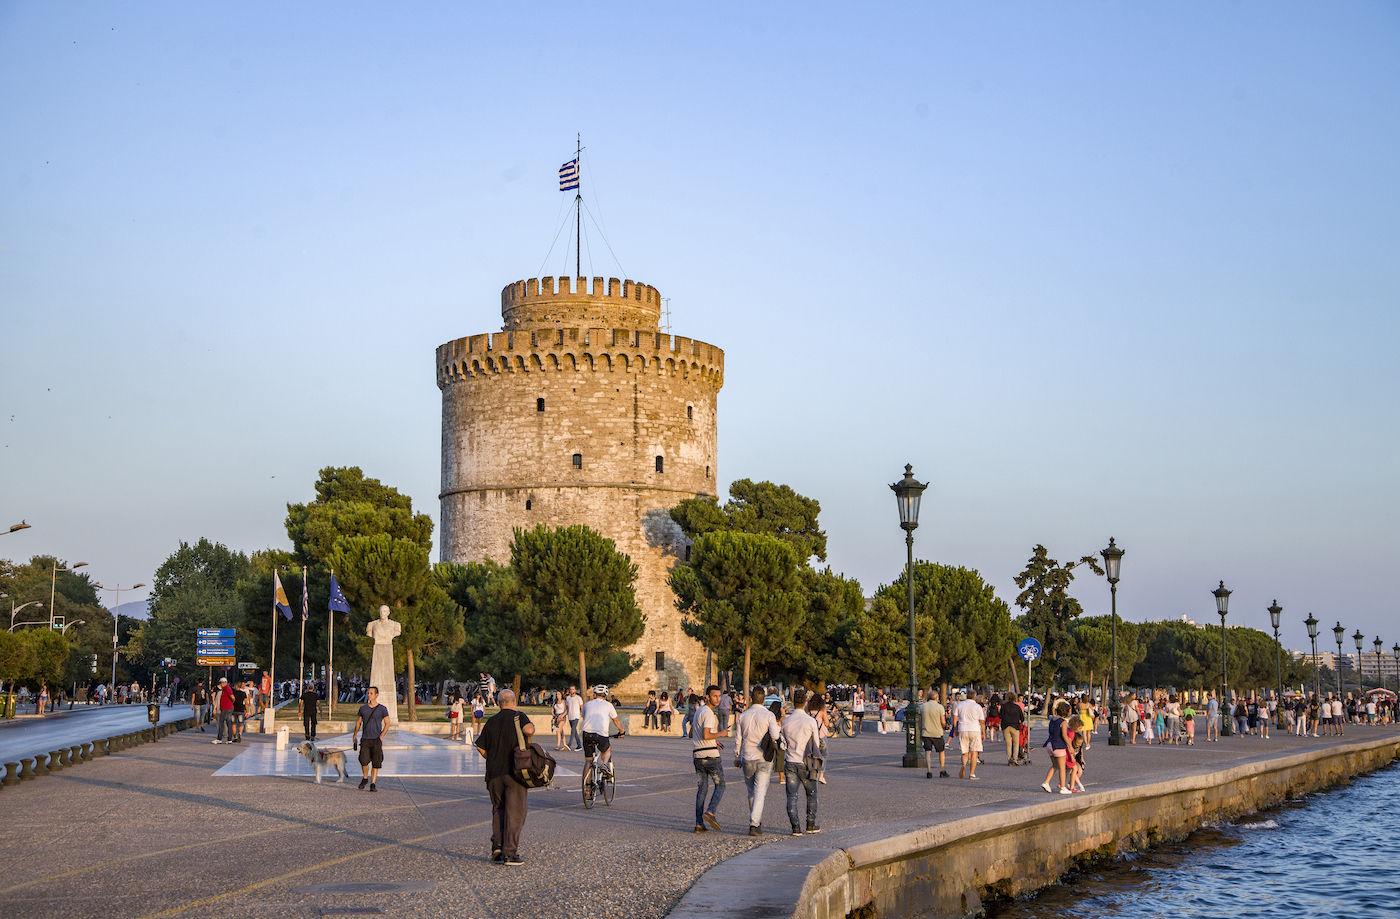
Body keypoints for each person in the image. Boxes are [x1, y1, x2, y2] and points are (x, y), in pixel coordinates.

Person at [474, 689, 533, 866]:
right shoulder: (519, 717)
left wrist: (492, 759)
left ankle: (498, 848)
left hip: (493, 774)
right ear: (514, 702)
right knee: (515, 813)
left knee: (498, 809)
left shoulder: (491, 721)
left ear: (499, 703)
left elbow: (480, 747)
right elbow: (529, 730)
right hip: (514, 773)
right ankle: (510, 853)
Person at [734, 683, 780, 836]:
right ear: (764, 700)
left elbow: (738, 739)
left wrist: (737, 755)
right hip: (763, 757)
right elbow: (775, 736)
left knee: (751, 791)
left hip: (747, 757)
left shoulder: (743, 716)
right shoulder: (769, 715)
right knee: (760, 791)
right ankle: (754, 824)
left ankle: (756, 820)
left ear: (751, 699)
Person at [781, 694, 822, 835]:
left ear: (793, 702)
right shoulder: (810, 721)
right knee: (811, 793)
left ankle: (795, 827)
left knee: (792, 796)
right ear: (805, 702)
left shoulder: (785, 722)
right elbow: (816, 743)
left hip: (791, 761)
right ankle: (810, 824)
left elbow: (783, 743)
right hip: (808, 761)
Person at [691, 684, 727, 833]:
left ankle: (699, 823)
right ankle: (710, 812)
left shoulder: (699, 711)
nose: (717, 699)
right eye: (714, 696)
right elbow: (706, 734)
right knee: (721, 785)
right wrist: (721, 734)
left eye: (719, 696)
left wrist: (714, 741)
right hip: (710, 757)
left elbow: (697, 734)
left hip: (698, 755)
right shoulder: (709, 714)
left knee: (702, 790)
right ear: (707, 697)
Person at [352, 686, 391, 792]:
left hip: (376, 739)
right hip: (365, 739)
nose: (369, 695)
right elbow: (358, 723)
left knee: (376, 762)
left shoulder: (382, 709)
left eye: (371, 693)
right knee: (363, 761)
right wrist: (354, 736)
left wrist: (382, 735)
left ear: (376, 695)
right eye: (368, 693)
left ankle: (373, 783)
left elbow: (387, 723)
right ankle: (365, 778)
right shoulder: (363, 708)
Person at [580, 685, 625, 775]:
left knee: (588, 760)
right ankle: (604, 764)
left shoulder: (587, 704)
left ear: (594, 695)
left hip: (587, 733)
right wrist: (621, 731)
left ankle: (587, 788)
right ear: (605, 696)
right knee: (607, 750)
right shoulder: (608, 705)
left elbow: (585, 717)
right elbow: (616, 720)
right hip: (601, 734)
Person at [954, 692, 985, 780]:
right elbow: (982, 721)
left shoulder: (960, 705)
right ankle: (972, 773)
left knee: (964, 752)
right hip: (974, 729)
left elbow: (955, 717)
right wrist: (983, 733)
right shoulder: (977, 707)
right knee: (974, 752)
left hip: (963, 728)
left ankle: (964, 765)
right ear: (975, 697)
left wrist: (955, 728)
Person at [920, 685, 948, 778]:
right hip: (937, 732)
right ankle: (942, 770)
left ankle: (929, 771)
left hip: (926, 732)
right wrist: (943, 727)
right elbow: (943, 721)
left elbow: (919, 721)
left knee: (928, 752)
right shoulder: (940, 707)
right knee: (941, 751)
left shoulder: (923, 706)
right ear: (937, 698)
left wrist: (920, 732)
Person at [1000, 693, 1024, 766]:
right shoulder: (1017, 707)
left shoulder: (1003, 706)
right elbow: (1022, 718)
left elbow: (1000, 716)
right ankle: (1014, 759)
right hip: (1015, 726)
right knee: (1016, 743)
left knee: (1008, 744)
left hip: (1005, 726)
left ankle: (1009, 760)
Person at [213, 678, 236, 743]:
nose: (222, 684)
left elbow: (232, 697)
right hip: (226, 707)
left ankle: (219, 738)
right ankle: (229, 739)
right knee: (228, 722)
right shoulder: (224, 689)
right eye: (221, 683)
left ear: (226, 682)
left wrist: (231, 701)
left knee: (221, 722)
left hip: (226, 708)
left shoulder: (227, 688)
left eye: (223, 682)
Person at [564, 686, 583, 751]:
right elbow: (567, 708)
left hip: (576, 716)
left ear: (575, 690)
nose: (571, 691)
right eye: (570, 689)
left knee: (572, 730)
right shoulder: (568, 698)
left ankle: (569, 744)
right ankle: (579, 745)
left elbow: (581, 707)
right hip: (570, 716)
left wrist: (582, 714)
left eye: (573, 689)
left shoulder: (578, 698)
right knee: (574, 731)